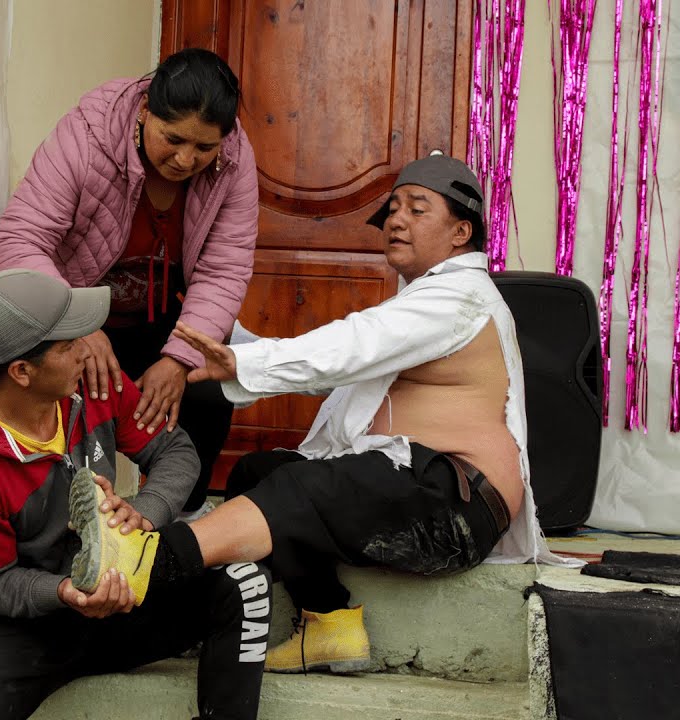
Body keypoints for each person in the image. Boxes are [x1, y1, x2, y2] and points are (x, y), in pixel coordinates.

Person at [69, 153, 566, 676]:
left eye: (417, 210)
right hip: (416, 488)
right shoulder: (424, 299)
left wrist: (244, 359)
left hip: (457, 505)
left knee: (301, 489)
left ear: (462, 231)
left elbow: (351, 346)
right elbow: (339, 364)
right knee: (259, 474)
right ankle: (330, 623)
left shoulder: (460, 296)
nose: (396, 219)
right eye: (393, 208)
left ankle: (146, 557)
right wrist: (229, 343)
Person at [0, 269, 270, 720]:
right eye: (69, 345)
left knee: (245, 582)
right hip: (37, 624)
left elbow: (177, 451)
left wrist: (142, 513)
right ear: (22, 371)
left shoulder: (93, 384)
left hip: (129, 586)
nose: (87, 349)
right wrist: (65, 591)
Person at [0, 48, 260, 519]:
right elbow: (18, 240)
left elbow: (224, 270)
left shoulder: (234, 161)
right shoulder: (88, 136)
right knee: (73, 404)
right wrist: (75, 326)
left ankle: (182, 524)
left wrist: (179, 359)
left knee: (208, 390)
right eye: (173, 139)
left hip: (157, 320)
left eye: (204, 147)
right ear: (144, 111)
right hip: (71, 313)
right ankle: (75, 528)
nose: (185, 159)